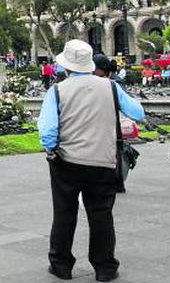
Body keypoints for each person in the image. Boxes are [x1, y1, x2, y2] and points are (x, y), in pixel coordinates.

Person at [38, 40, 144, 282]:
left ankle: (61, 264)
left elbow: (47, 130)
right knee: (101, 214)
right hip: (103, 161)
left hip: (67, 161)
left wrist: (52, 149)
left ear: (66, 67)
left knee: (64, 213)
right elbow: (138, 113)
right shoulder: (111, 87)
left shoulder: (56, 91)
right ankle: (105, 267)